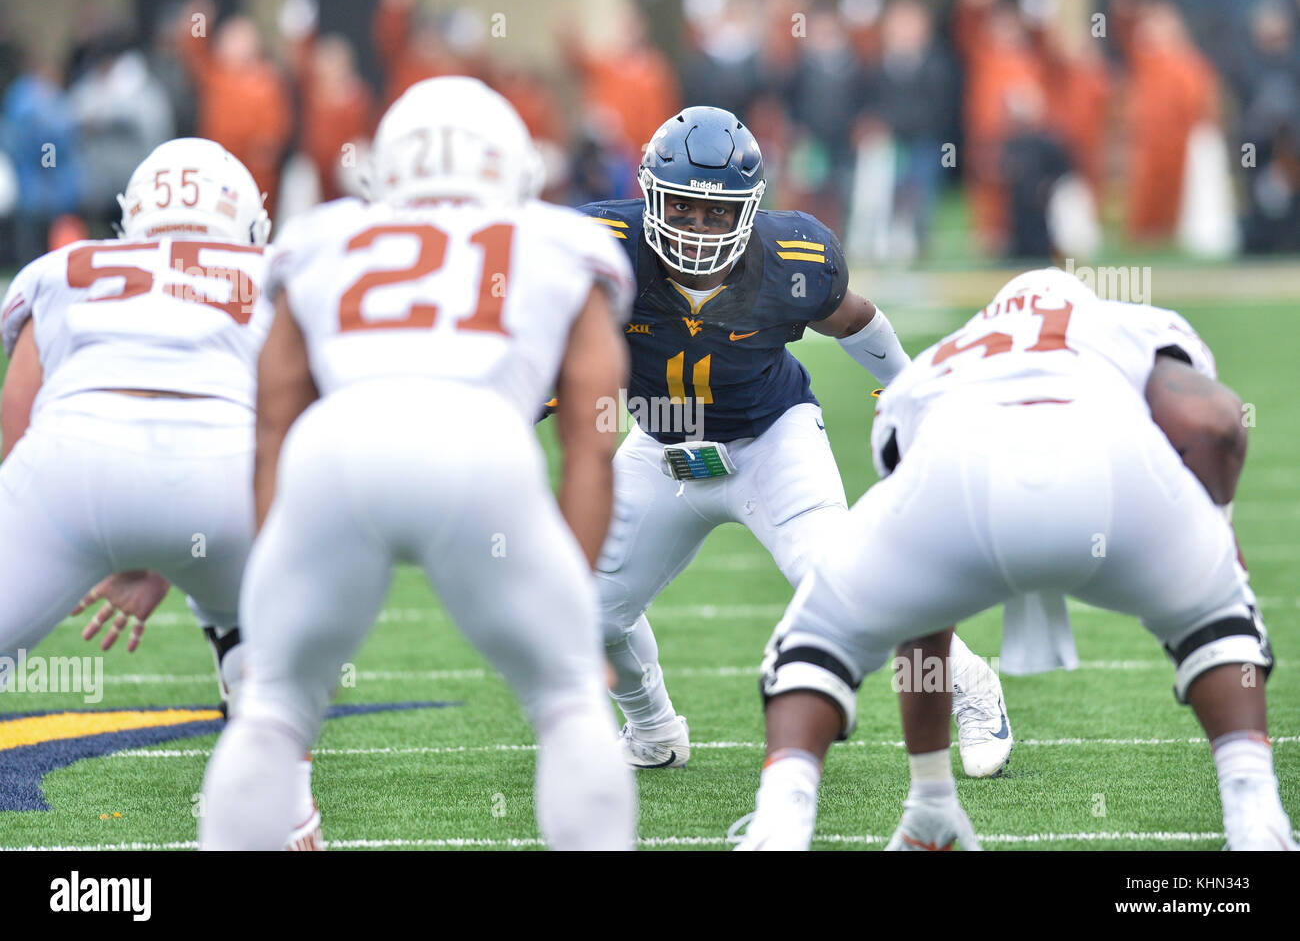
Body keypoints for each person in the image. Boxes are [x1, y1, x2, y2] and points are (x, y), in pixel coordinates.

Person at [198, 77, 637, 851]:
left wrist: (278, 560)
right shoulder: (559, 240)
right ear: (515, 169)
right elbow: (592, 433)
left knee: (271, 708)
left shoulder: (324, 235)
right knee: (570, 698)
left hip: (335, 445)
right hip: (480, 440)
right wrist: (573, 585)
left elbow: (274, 417)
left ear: (384, 169)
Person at [734, 268, 1293, 851]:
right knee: (1219, 628)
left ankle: (785, 821)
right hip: (1109, 475)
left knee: (817, 639)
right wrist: (1213, 553)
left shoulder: (938, 362)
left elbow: (922, 615)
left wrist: (931, 788)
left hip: (958, 473)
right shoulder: (1126, 323)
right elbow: (1216, 423)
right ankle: (1257, 815)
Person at [577, 106, 1013, 779]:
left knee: (848, 587)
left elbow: (854, 319)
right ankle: (653, 729)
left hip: (770, 441)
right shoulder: (603, 245)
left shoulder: (790, 260)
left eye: (715, 213)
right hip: (662, 449)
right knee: (589, 606)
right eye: (683, 208)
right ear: (650, 197)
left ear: (748, 212)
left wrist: (908, 391)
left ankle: (974, 686)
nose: (697, 228)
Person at [0, 137, 320, 849]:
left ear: (132, 218)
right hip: (233, 470)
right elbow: (296, 426)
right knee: (266, 642)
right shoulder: (277, 272)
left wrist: (96, 536)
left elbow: (16, 424)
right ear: (246, 219)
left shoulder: (66, 267)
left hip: (70, 462)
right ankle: (288, 804)